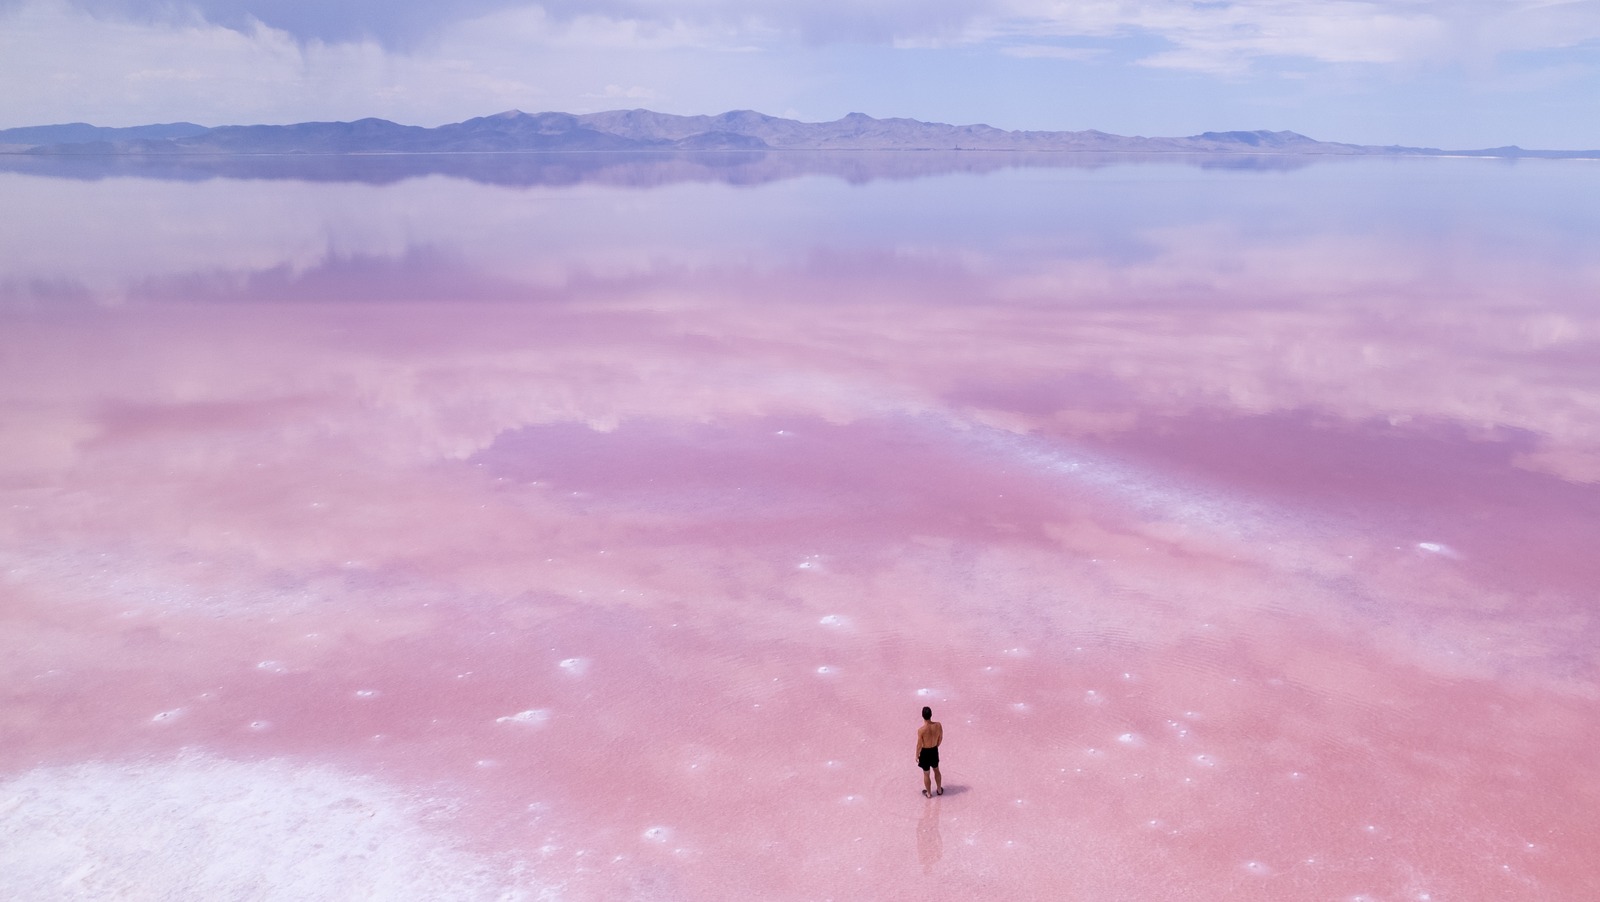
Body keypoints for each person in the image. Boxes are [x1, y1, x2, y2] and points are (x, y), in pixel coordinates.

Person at [916, 706, 943, 797]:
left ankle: (929, 793)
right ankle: (939, 790)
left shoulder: (921, 730)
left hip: (925, 752)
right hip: (934, 750)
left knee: (926, 773)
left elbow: (919, 745)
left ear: (922, 716)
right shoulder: (938, 725)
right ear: (931, 714)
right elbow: (940, 738)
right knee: (936, 770)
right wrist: (936, 746)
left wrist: (916, 755)